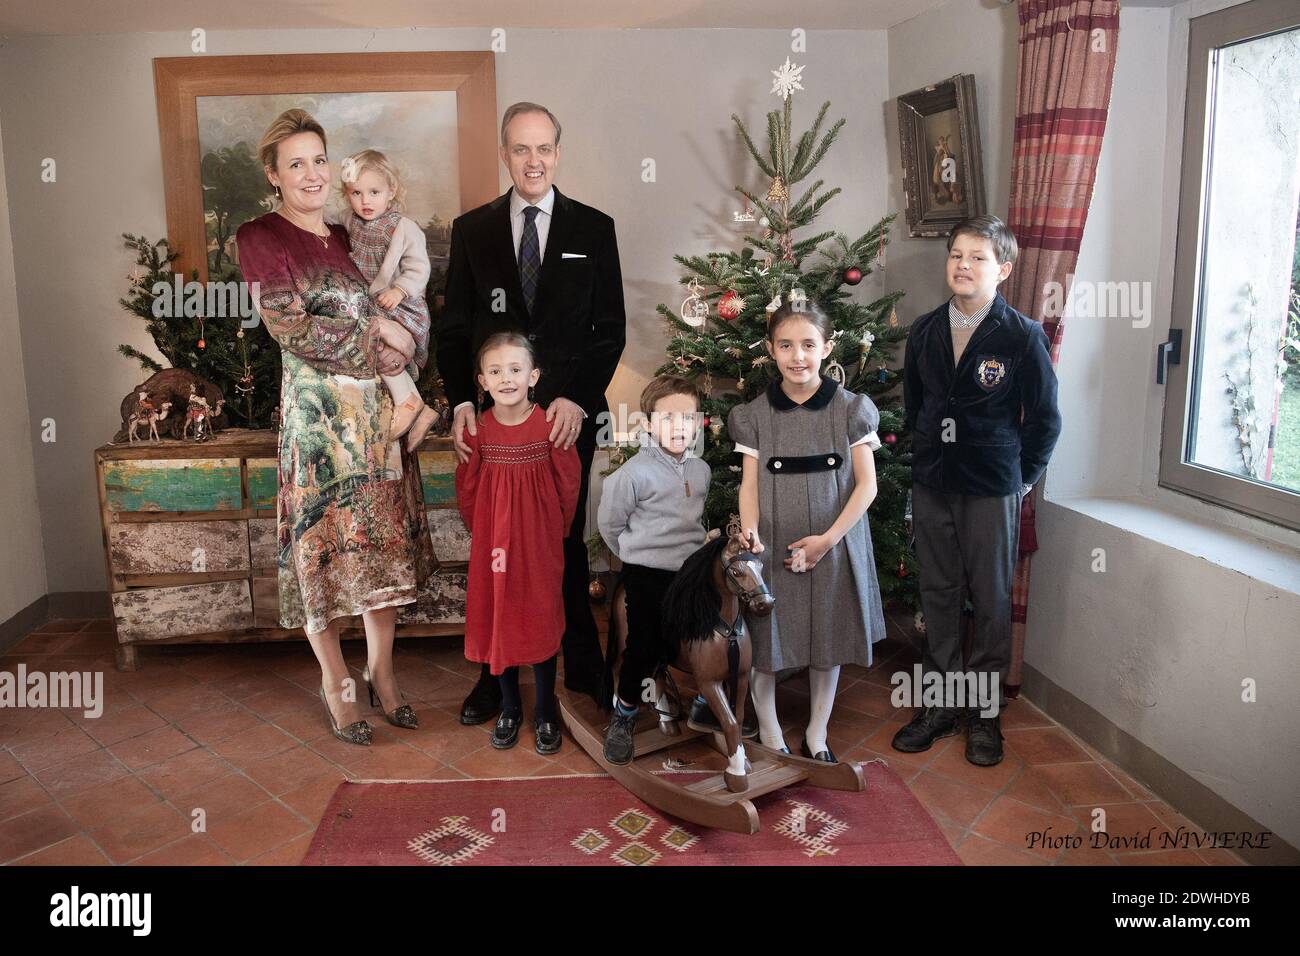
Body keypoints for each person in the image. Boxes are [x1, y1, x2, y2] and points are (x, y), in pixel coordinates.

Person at [235, 108, 437, 746]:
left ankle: (382, 671)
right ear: (275, 175)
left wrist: (408, 341)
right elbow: (291, 325)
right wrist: (384, 343)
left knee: (379, 546)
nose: (313, 173)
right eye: (296, 163)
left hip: (376, 422)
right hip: (318, 425)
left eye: (319, 159)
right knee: (319, 549)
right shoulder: (261, 236)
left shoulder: (352, 237)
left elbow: (406, 306)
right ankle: (335, 683)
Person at [437, 102, 626, 721]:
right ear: (505, 154)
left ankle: (583, 666)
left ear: (559, 152)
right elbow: (456, 328)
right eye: (521, 149)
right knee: (498, 547)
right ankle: (495, 679)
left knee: (563, 546)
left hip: (566, 419)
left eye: (544, 147)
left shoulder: (594, 229)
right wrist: (464, 400)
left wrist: (576, 396)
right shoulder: (473, 231)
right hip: (495, 424)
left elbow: (610, 330)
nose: (534, 160)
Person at [892, 214, 1061, 767]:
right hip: (934, 481)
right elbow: (916, 406)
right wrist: (924, 453)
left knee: (989, 599)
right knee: (938, 593)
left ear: (1004, 269)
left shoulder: (1021, 335)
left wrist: (1022, 478)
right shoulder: (924, 330)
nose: (963, 266)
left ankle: (984, 713)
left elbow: (1044, 420)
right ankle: (940, 705)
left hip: (992, 486)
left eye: (978, 258)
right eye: (956, 255)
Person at [727, 299, 887, 762]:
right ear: (771, 351)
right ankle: (771, 732)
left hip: (832, 544)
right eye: (786, 345)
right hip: (773, 544)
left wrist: (827, 541)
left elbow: (867, 485)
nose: (798, 356)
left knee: (827, 639)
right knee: (767, 639)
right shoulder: (755, 416)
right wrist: (752, 533)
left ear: (827, 347)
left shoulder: (851, 409)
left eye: (808, 345)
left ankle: (817, 734)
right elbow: (750, 486)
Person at [454, 332, 581, 755]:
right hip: (493, 543)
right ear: (482, 381)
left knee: (541, 613)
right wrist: (482, 531)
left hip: (540, 540)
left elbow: (568, 482)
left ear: (533, 376)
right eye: (495, 371)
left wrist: (555, 532)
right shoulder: (478, 431)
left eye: (515, 369)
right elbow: (468, 487)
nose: (506, 378)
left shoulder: (550, 425)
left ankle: (544, 708)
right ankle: (510, 706)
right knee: (499, 615)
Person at [596, 375, 711, 765]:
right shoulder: (632, 475)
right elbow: (611, 526)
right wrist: (634, 556)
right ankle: (625, 713)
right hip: (647, 572)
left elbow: (692, 522)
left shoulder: (701, 471)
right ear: (647, 423)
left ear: (698, 423)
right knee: (644, 646)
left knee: (711, 635)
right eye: (668, 418)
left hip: (691, 573)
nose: (679, 426)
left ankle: (707, 702)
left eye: (687, 417)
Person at [339, 148, 439, 451]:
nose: (365, 201)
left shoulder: (403, 228)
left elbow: (419, 267)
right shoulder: (348, 221)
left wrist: (400, 290)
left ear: (391, 191)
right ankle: (418, 406)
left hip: (400, 304)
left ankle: (406, 399)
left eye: (374, 192)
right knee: (370, 341)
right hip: (371, 305)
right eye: (356, 193)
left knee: (381, 345)